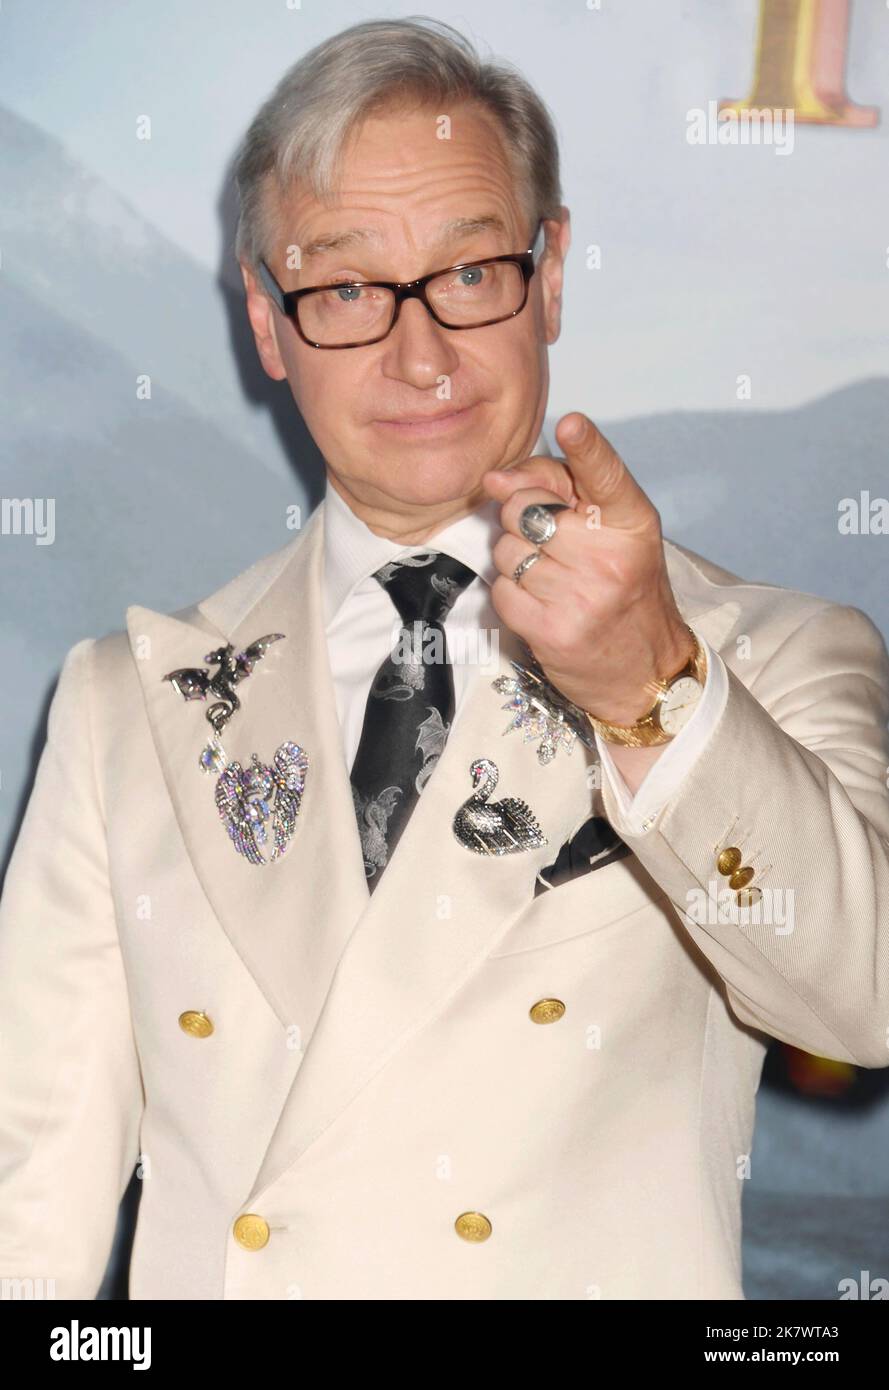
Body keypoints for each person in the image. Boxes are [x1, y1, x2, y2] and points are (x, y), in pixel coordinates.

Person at [1, 16, 888, 1302]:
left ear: (554, 272)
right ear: (267, 321)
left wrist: (653, 689)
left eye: (471, 275)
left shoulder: (768, 654)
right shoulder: (124, 705)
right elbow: (30, 1197)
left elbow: (859, 1004)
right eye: (347, 289)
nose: (418, 357)